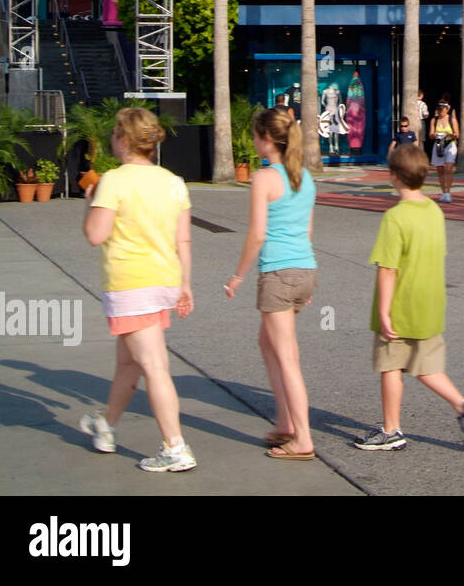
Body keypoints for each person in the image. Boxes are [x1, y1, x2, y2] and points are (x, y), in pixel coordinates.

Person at [79, 107, 196, 472]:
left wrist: (90, 204)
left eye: (115, 132)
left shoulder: (114, 180)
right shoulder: (175, 182)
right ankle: (107, 425)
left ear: (124, 139)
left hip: (131, 284)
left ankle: (175, 447)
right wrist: (185, 285)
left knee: (154, 365)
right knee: (128, 362)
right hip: (164, 280)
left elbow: (95, 235)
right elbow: (184, 240)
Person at [354, 144, 464, 452]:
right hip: (429, 303)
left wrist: (384, 312)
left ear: (394, 177)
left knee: (391, 366)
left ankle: (391, 429)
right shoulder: (433, 210)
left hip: (401, 306)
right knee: (425, 366)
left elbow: (388, 269)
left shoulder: (395, 217)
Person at [224, 108, 318, 460]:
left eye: (254, 134)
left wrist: (238, 276)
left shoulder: (264, 178)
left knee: (287, 356)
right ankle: (285, 421)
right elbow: (308, 231)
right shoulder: (304, 177)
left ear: (266, 138)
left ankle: (302, 438)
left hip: (277, 273)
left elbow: (257, 235)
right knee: (268, 343)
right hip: (304, 270)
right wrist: (303, 284)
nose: (252, 140)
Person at [428, 100, 459, 202]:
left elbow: (457, 134)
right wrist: (434, 134)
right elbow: (431, 134)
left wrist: (449, 134)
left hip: (450, 143)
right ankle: (443, 192)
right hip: (438, 144)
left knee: (449, 169)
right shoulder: (434, 120)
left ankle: (448, 192)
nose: (442, 113)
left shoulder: (452, 119)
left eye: (443, 111)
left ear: (447, 110)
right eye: (440, 111)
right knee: (440, 170)